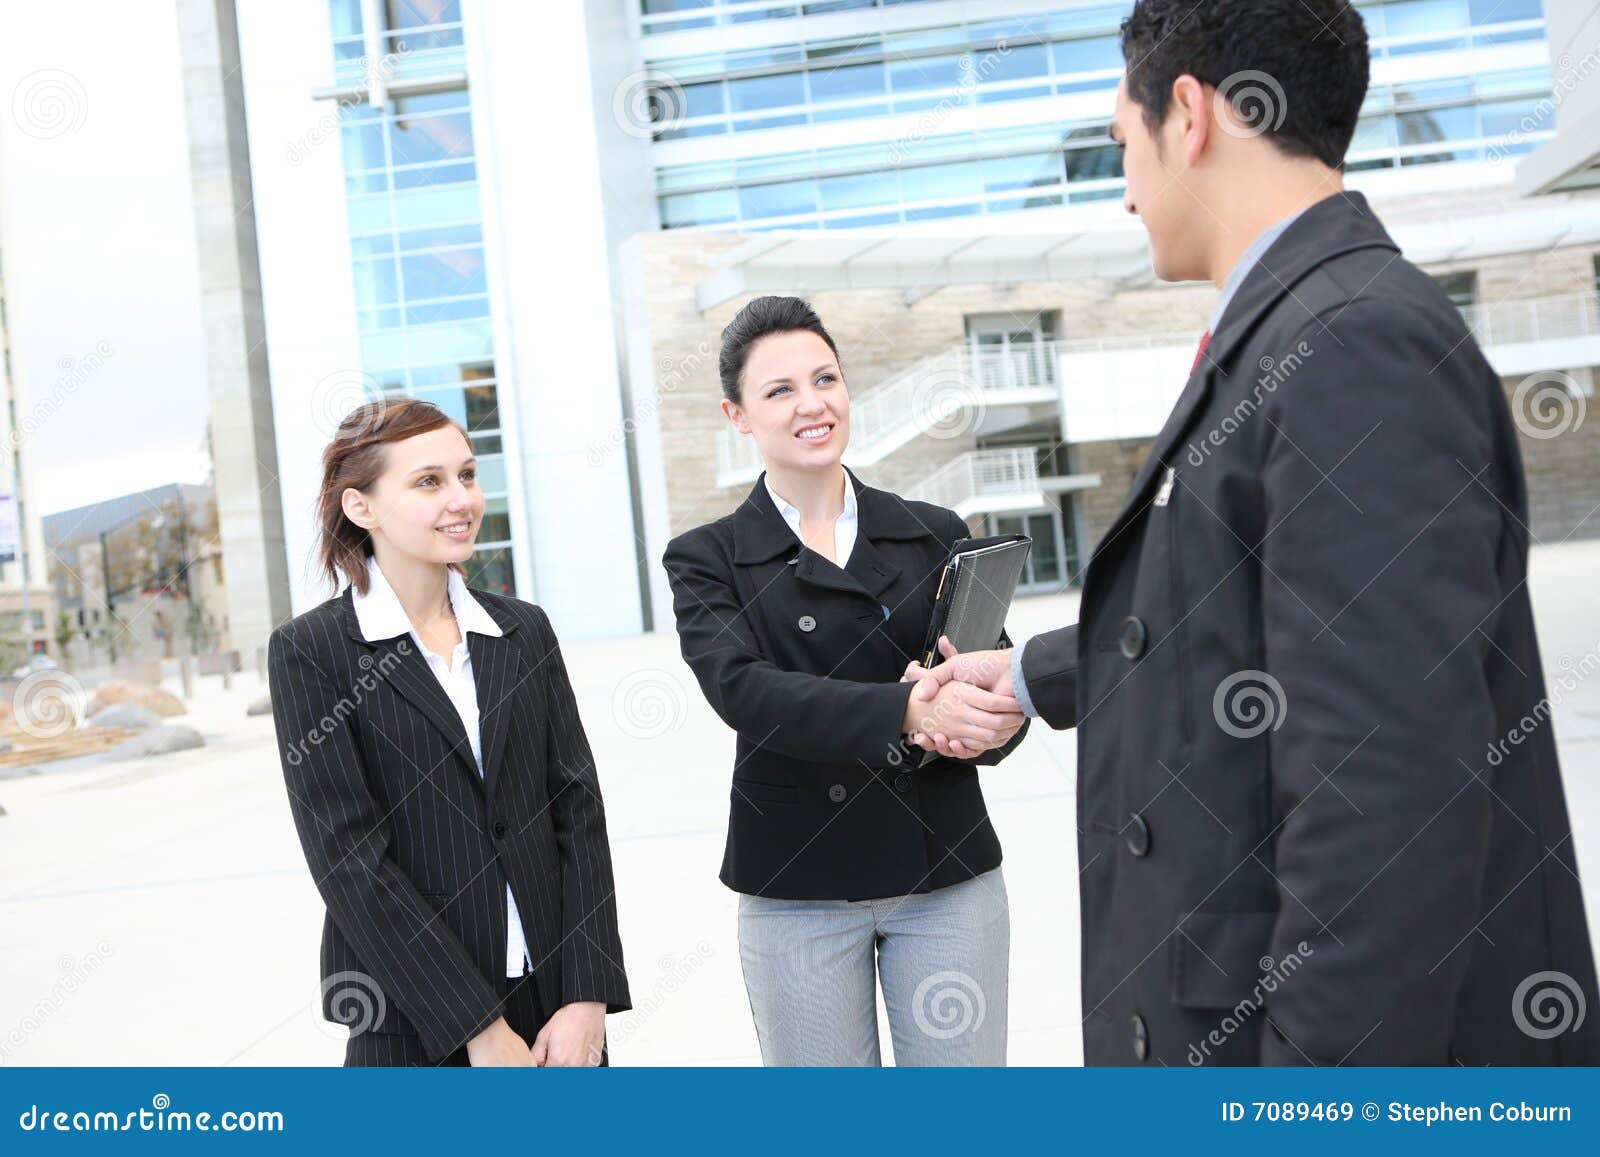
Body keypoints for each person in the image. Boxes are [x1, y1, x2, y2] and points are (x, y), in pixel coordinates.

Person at [912, 0, 1598, 1065]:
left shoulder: (1353, 343)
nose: (1124, 188)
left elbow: (1386, 803)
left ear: (1188, 117)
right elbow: (1235, 611)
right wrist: (1036, 677)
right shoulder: (1299, 325)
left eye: (1122, 143)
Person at [662, 296, 1027, 1065]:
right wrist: (908, 708)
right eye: (780, 390)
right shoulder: (708, 557)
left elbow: (990, 672)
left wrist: (994, 719)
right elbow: (745, 693)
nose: (812, 403)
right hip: (799, 887)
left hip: (946, 873)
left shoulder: (934, 531)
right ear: (737, 416)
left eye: (825, 378)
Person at [267, 397, 630, 1066]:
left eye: (466, 474)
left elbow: (578, 811)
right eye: (428, 482)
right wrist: (478, 1027)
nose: (461, 499)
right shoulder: (312, 651)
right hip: (417, 1021)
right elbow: (350, 860)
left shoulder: (522, 630)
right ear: (362, 507)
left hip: (557, 1012)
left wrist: (588, 994)